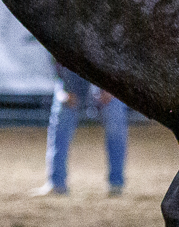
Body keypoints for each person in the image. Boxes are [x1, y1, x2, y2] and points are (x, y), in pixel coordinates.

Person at [31, 64, 128, 197]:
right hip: (72, 76)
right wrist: (67, 89)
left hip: (107, 77)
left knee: (115, 122)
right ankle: (56, 183)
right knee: (61, 123)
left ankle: (116, 183)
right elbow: (58, 56)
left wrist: (112, 85)